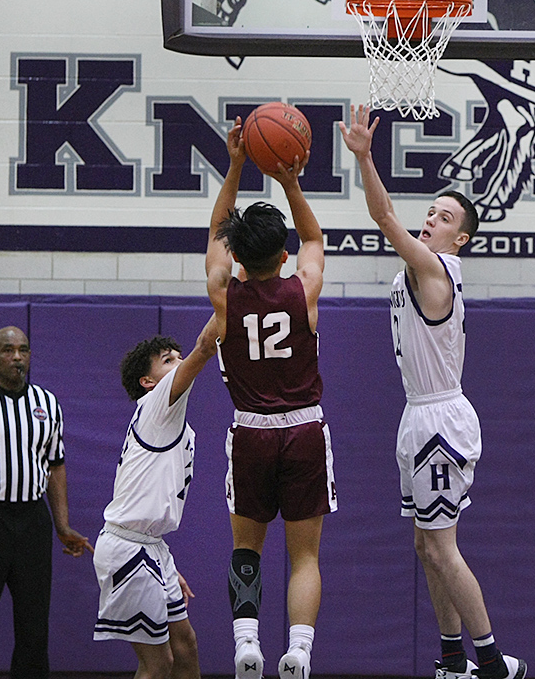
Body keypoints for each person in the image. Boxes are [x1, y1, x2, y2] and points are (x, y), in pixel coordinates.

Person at [339, 105, 527, 679]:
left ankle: (491, 660)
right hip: (419, 415)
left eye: (444, 216)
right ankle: (452, 657)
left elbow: (385, 218)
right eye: (432, 211)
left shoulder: (437, 270)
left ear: (460, 238)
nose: (431, 219)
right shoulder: (415, 272)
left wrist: (365, 158)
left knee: (443, 548)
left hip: (441, 418)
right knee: (425, 547)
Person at [206, 117, 337, 679]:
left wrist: (236, 164)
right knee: (304, 555)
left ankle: (246, 645)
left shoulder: (224, 296)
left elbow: (214, 235)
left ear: (237, 258)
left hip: (251, 431)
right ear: (282, 258)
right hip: (304, 429)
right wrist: (288, 180)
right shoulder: (302, 289)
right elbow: (313, 238)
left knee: (247, 548)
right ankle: (300, 653)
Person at [92, 315, 218, 679]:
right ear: (149, 382)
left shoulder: (169, 418)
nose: (179, 361)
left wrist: (162, 560)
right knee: (158, 663)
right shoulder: (156, 403)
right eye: (169, 359)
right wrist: (233, 284)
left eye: (178, 356)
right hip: (127, 546)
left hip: (151, 545)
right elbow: (206, 346)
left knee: (185, 646)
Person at [0, 325, 92, 679]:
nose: (17, 357)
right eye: (8, 350)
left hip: (32, 521)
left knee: (33, 625)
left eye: (23, 350)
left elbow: (56, 467)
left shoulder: (46, 402)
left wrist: (62, 525)